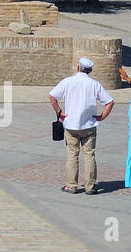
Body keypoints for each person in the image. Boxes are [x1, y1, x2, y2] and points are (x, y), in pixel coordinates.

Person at [48, 58, 115, 195]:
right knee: (89, 155)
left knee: (72, 155)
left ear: (78, 67)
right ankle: (90, 187)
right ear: (90, 70)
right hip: (89, 125)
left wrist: (59, 112)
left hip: (71, 125)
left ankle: (71, 186)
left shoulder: (68, 81)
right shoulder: (94, 84)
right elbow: (109, 102)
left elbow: (52, 96)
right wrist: (102, 116)